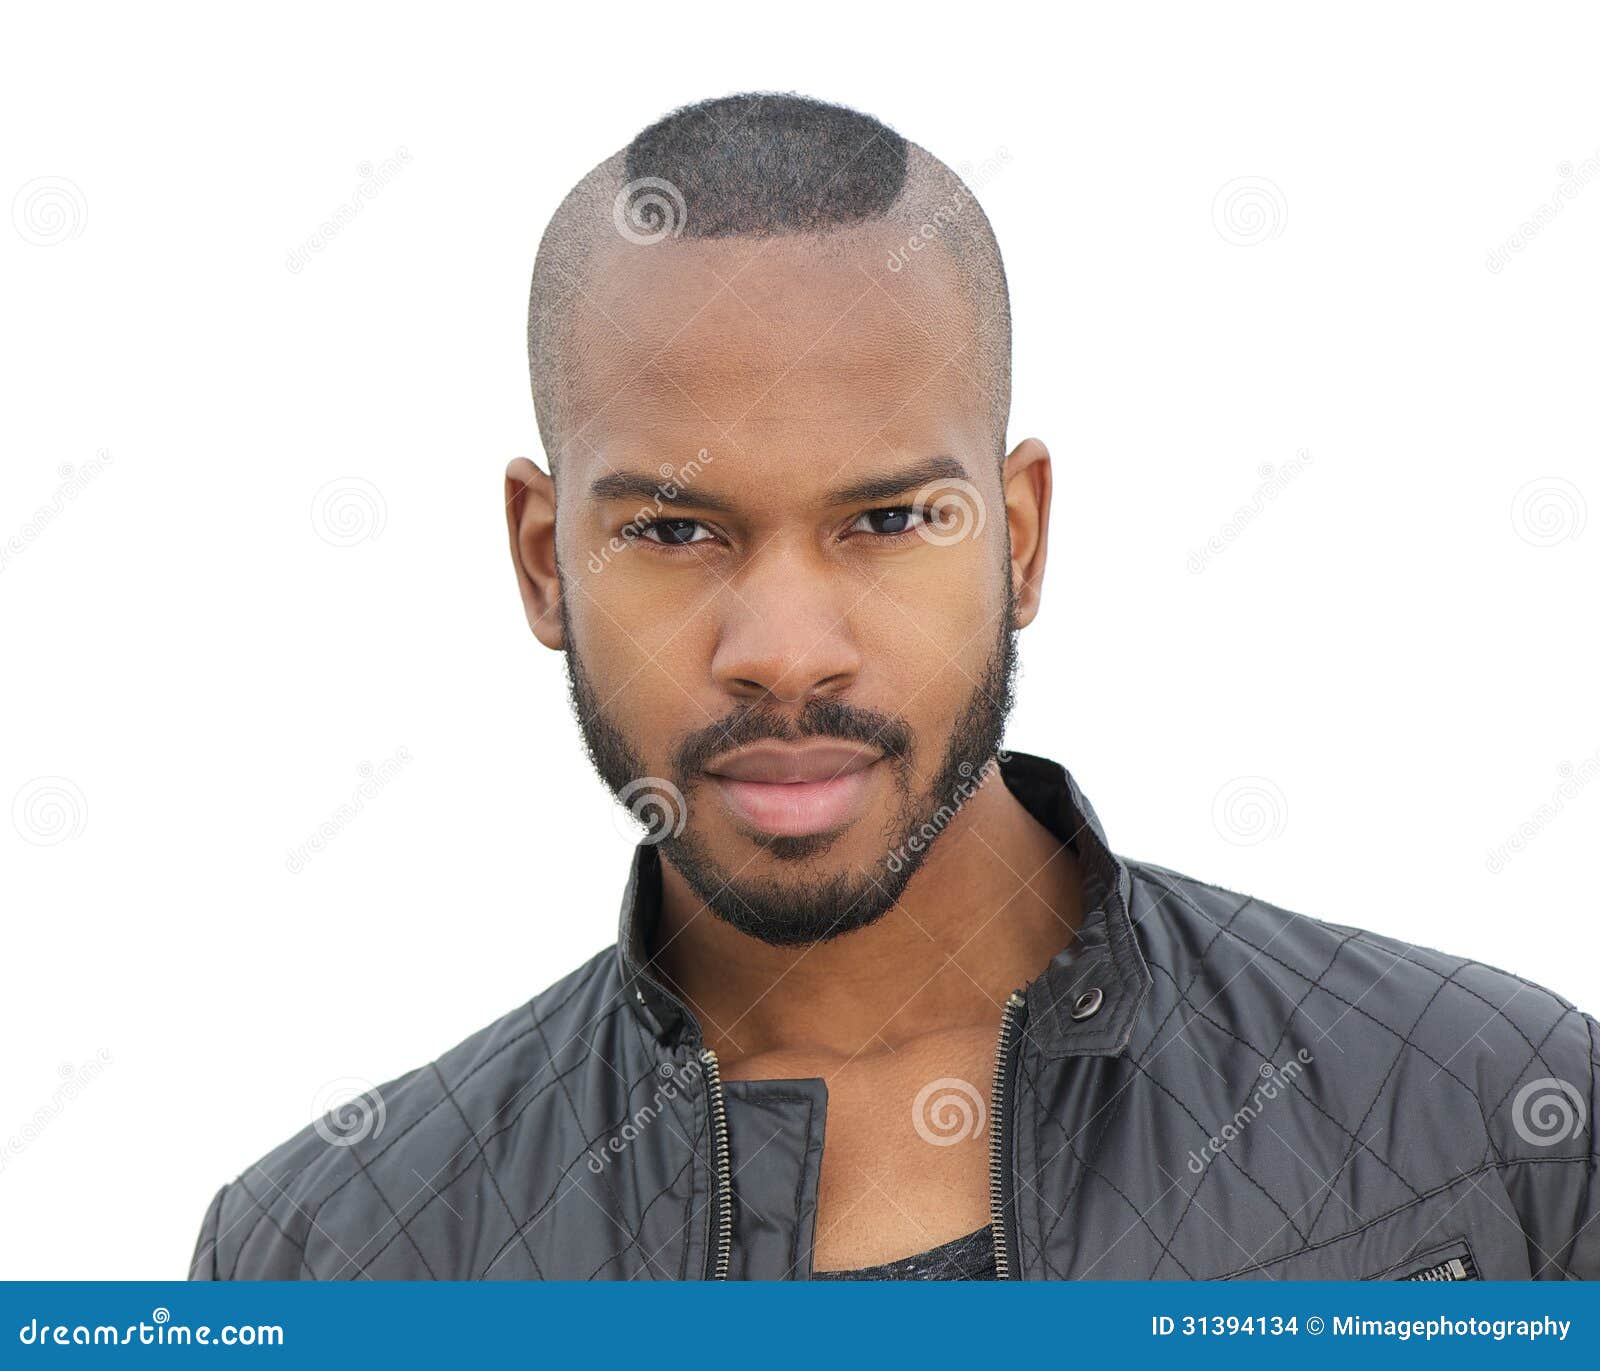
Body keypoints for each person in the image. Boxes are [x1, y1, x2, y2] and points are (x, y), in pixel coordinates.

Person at [191, 93, 1599, 1281]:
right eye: (676, 532)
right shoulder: (328, 1258)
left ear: (1022, 536)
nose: (789, 650)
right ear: (542, 562)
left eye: (884, 522)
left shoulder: (1493, 1119)